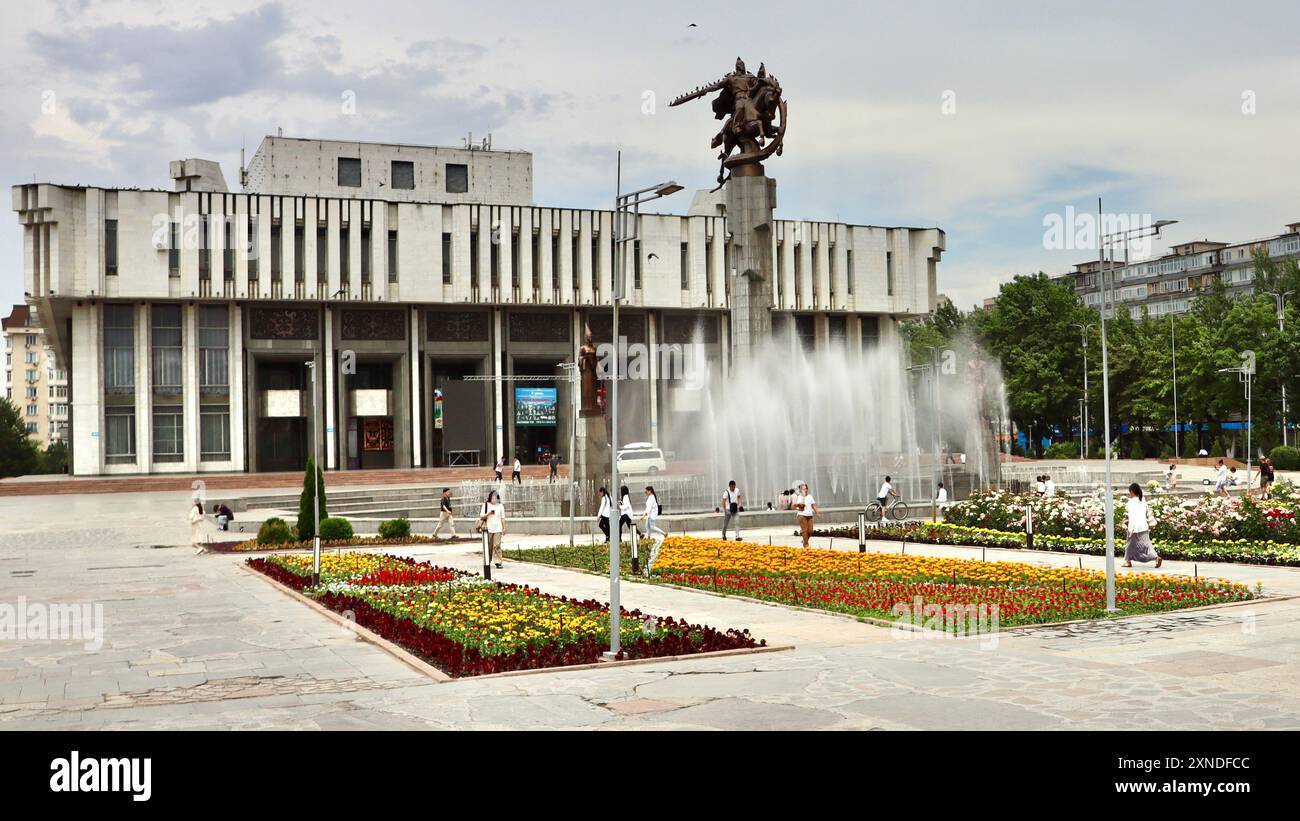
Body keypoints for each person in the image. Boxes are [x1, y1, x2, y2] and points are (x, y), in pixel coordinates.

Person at [1122, 482, 1162, 568]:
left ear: (1132, 491)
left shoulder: (1131, 502)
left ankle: (1128, 561)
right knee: (1146, 545)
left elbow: (1132, 516)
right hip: (1143, 526)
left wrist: (1132, 528)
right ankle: (1155, 557)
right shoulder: (1142, 500)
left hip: (1134, 527)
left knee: (1130, 545)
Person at [477, 490, 507, 569]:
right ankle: (488, 560)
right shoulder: (485, 505)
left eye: (496, 498)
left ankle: (498, 562)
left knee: (497, 545)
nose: (494, 500)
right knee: (488, 546)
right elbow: (482, 517)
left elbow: (503, 518)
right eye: (493, 498)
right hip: (488, 528)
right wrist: (489, 513)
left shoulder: (500, 506)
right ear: (490, 498)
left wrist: (504, 528)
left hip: (498, 528)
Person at [793, 482, 817, 548]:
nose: (805, 490)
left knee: (810, 531)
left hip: (810, 515)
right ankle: (806, 545)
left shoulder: (810, 496)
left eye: (805, 489)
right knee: (804, 530)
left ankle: (804, 540)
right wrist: (799, 504)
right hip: (802, 515)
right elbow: (795, 506)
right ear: (800, 490)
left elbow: (813, 505)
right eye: (803, 489)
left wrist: (817, 512)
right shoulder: (798, 497)